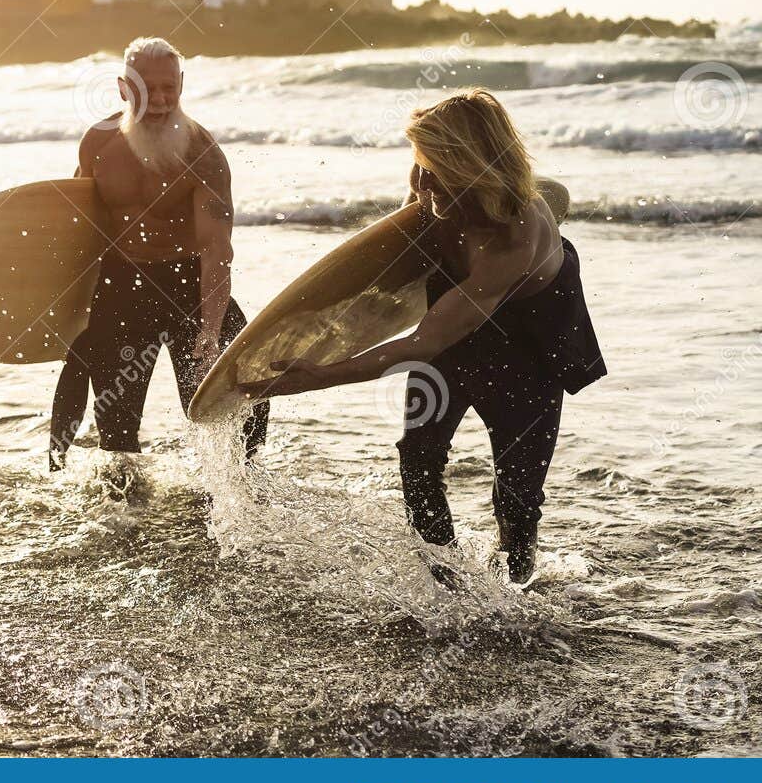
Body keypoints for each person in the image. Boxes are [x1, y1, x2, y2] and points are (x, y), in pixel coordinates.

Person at [250, 90, 605, 583]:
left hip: (527, 351)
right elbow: (396, 265)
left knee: (519, 496)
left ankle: (516, 587)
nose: (423, 182)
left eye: (436, 167)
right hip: (455, 337)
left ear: (472, 165)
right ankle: (448, 582)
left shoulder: (517, 237)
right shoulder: (434, 186)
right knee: (417, 461)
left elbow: (422, 342)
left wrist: (319, 376)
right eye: (420, 165)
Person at [48, 37, 269, 478]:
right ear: (123, 88)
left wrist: (209, 330)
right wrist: (66, 312)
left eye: (169, 87)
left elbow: (215, 250)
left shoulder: (201, 154)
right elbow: (76, 226)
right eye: (148, 88)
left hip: (188, 284)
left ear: (182, 84)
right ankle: (124, 511)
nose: (161, 99)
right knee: (116, 426)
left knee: (241, 403)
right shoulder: (98, 144)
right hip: (122, 284)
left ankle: (232, 491)